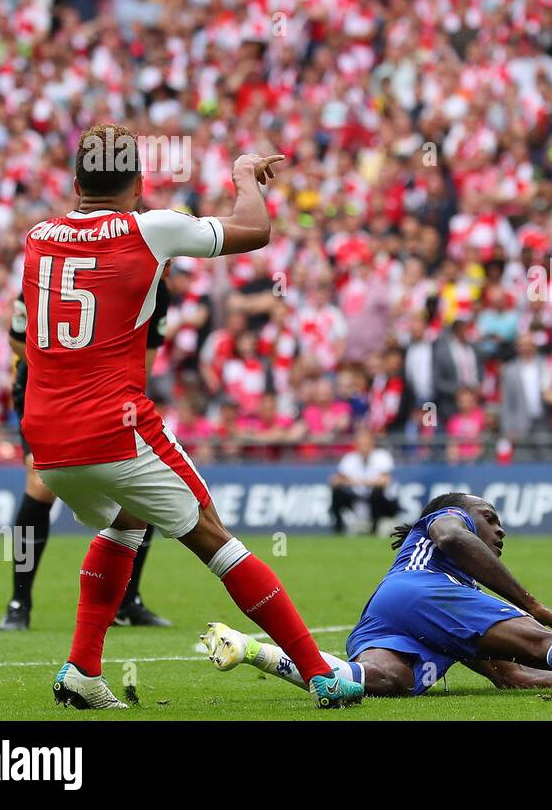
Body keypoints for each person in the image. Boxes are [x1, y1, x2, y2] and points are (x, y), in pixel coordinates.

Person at [24, 124, 364, 709]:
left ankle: (82, 668)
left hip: (48, 440)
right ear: (139, 183)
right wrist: (241, 176)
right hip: (116, 425)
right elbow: (255, 230)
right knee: (211, 533)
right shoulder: (149, 226)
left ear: (75, 181)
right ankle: (321, 674)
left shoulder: (36, 237)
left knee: (127, 522)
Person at [201, 493, 552, 698]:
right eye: (492, 518)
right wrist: (532, 607)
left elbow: (512, 674)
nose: (499, 528)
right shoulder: (447, 522)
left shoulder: (462, 603)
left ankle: (250, 650)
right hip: (418, 593)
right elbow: (451, 537)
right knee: (539, 637)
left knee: (381, 682)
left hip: (390, 619)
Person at [0, 281, 173, 632]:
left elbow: (146, 359)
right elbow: (17, 337)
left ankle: (127, 601)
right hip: (43, 388)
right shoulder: (53, 267)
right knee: (41, 481)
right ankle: (19, 601)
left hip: (107, 393)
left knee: (145, 479)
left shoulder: (159, 288)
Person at [328, 426, 396, 535]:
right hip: (357, 496)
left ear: (372, 444)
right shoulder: (350, 458)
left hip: (380, 500)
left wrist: (356, 482)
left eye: (366, 444)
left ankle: (375, 526)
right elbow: (335, 480)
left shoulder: (382, 456)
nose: (363, 447)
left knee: (376, 492)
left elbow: (385, 481)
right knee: (337, 493)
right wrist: (345, 481)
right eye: (360, 444)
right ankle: (338, 528)